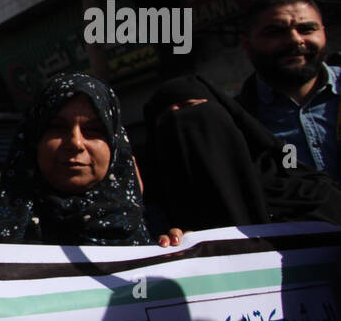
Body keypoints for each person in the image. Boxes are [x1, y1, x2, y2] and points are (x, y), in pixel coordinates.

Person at [0, 72, 179, 246]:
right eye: (56, 127)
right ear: (34, 140)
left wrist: (177, 253)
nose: (75, 143)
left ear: (115, 145)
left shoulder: (144, 225)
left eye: (94, 130)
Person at [145, 75, 341, 232]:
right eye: (165, 118)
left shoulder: (306, 191)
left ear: (225, 114)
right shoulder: (156, 216)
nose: (179, 120)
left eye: (191, 106)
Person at [234, 0, 338, 178]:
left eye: (306, 29)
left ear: (323, 33)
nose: (295, 40)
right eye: (275, 32)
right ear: (247, 45)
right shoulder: (236, 122)